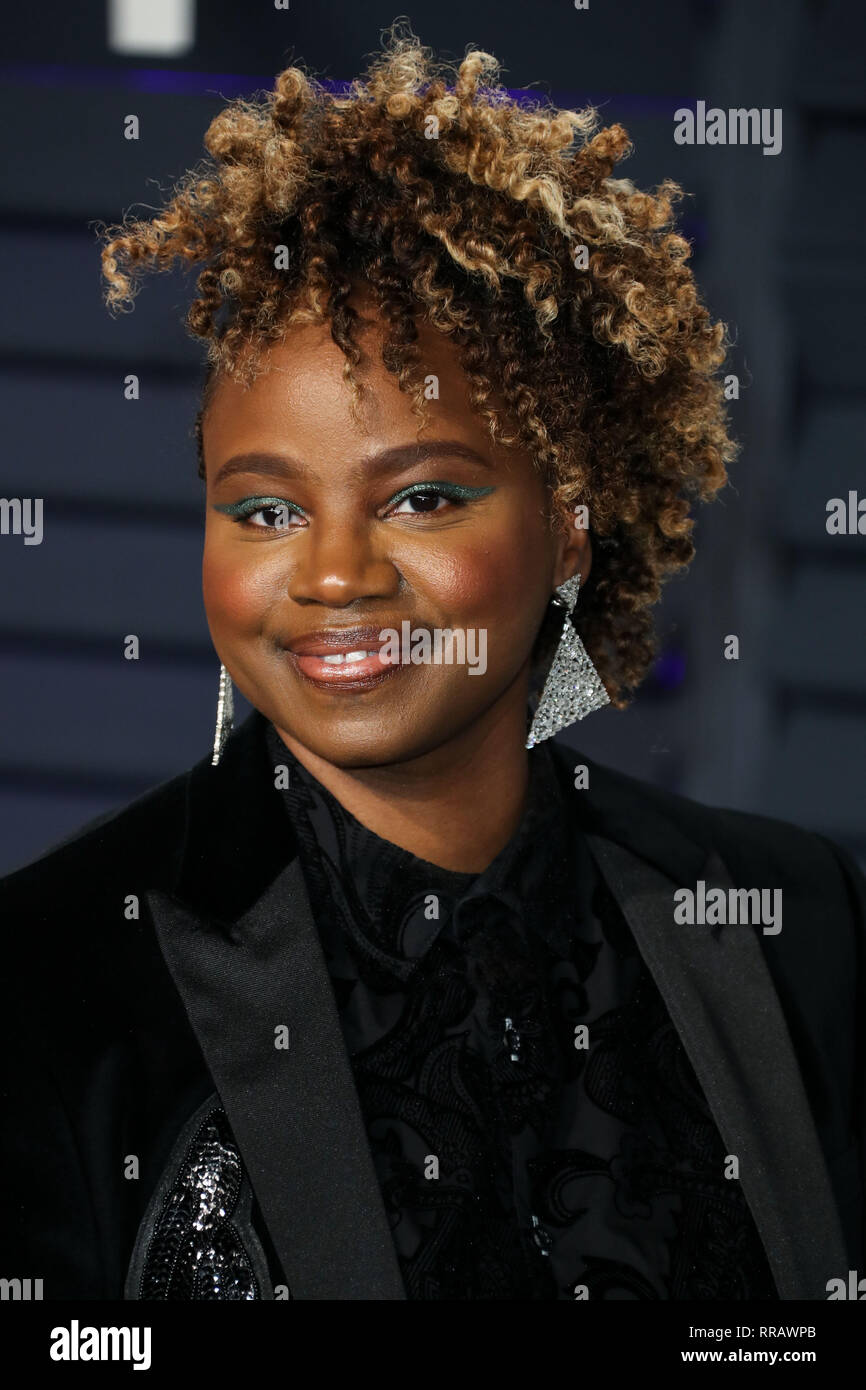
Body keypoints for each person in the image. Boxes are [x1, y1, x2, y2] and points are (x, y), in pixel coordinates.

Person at [1, 26, 862, 1302]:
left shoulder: (796, 918)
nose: (331, 575)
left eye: (421, 498)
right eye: (263, 511)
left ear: (568, 520)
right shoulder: (42, 989)